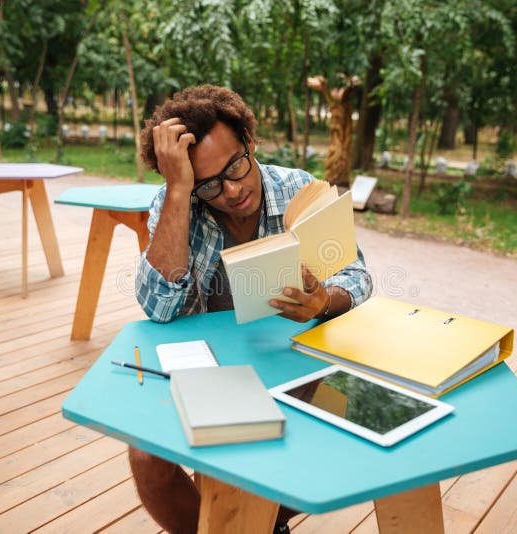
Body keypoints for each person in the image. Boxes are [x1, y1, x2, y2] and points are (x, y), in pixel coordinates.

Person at [131, 85, 372, 534]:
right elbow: (157, 307)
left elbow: (357, 276)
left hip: (294, 365)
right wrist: (181, 191)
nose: (233, 189)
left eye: (237, 166)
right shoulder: (177, 204)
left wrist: (323, 302)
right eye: (210, 184)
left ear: (249, 142)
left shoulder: (299, 188)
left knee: (350, 440)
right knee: (147, 459)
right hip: (210, 371)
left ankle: (257, 525)